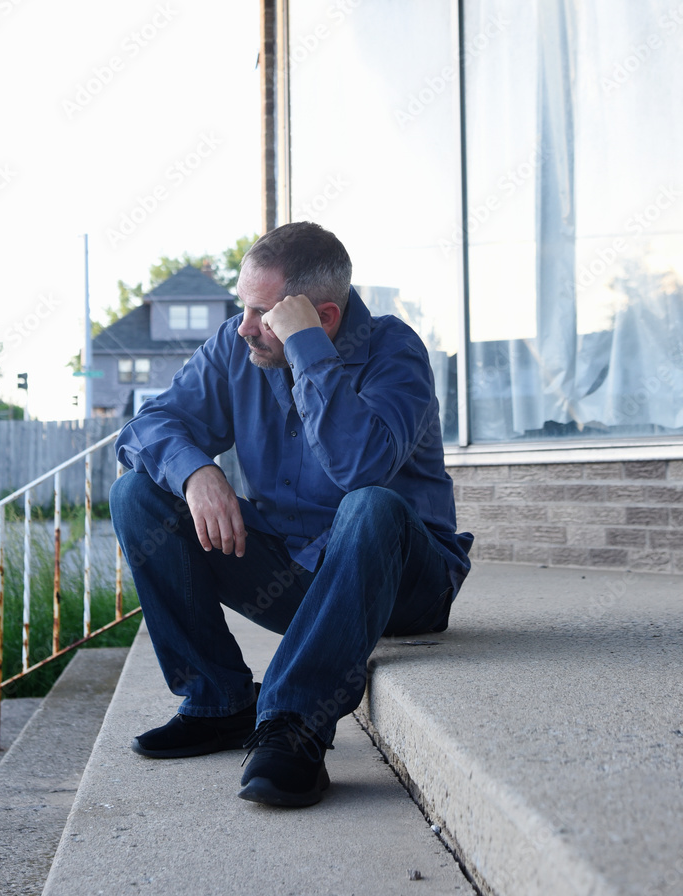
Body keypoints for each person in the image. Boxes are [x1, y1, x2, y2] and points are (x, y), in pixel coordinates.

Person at [109, 222, 473, 808]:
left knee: (371, 506)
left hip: (401, 582)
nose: (244, 327)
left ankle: (294, 725)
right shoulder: (239, 344)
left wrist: (308, 353)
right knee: (138, 495)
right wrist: (197, 472)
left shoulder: (394, 352)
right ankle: (219, 701)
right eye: (242, 307)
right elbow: (147, 427)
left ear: (321, 317)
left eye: (262, 313)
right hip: (299, 571)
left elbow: (361, 468)